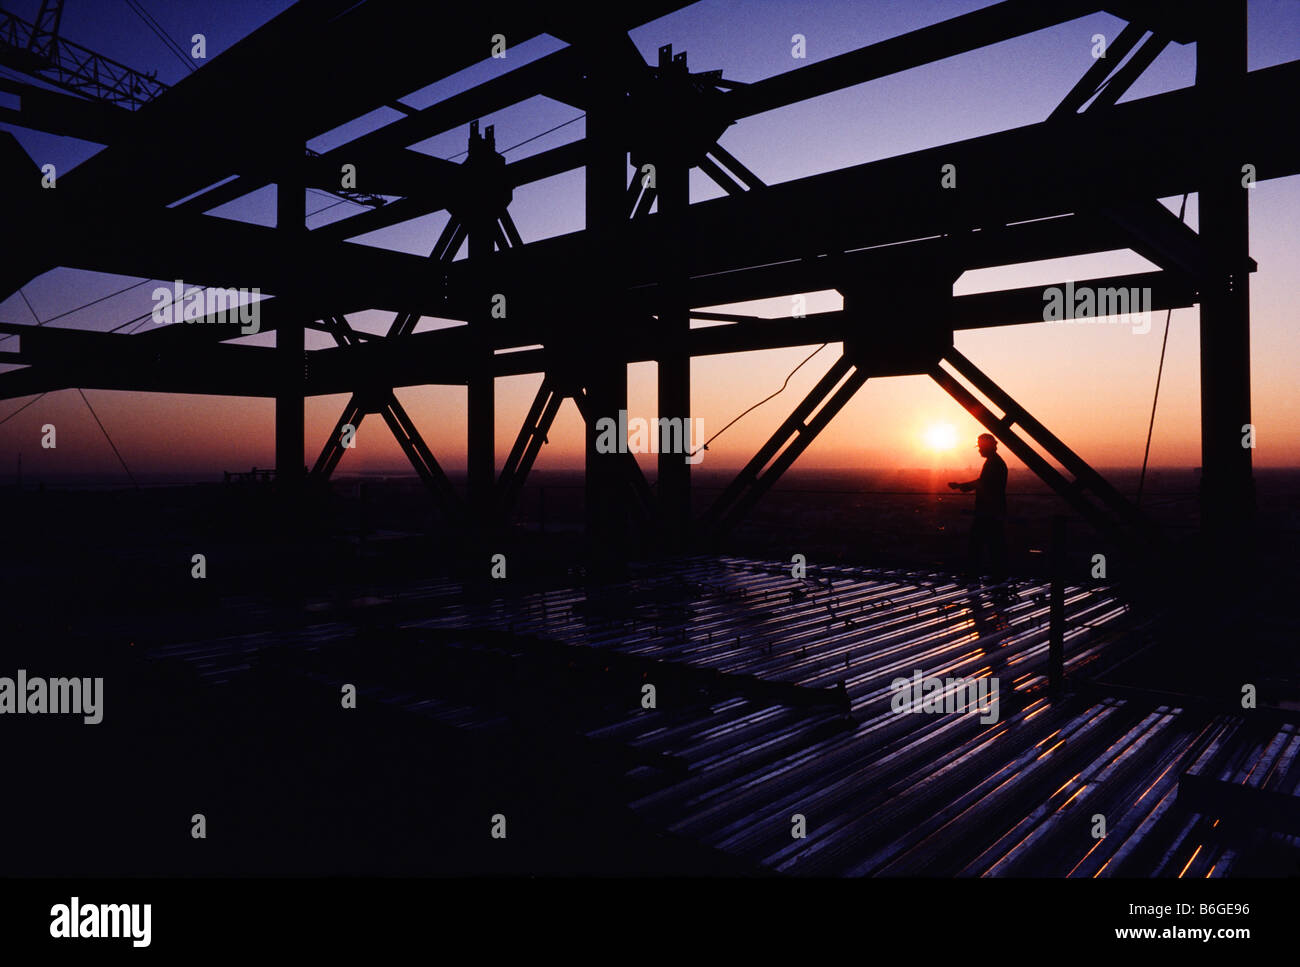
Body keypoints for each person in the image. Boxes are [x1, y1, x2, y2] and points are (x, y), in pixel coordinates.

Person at [948, 433, 1007, 580]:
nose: (979, 451)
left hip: (988, 511)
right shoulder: (995, 462)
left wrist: (960, 486)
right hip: (994, 509)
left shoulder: (993, 463)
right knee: (993, 544)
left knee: (978, 543)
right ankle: (996, 575)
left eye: (981, 448)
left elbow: (982, 483)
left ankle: (975, 574)